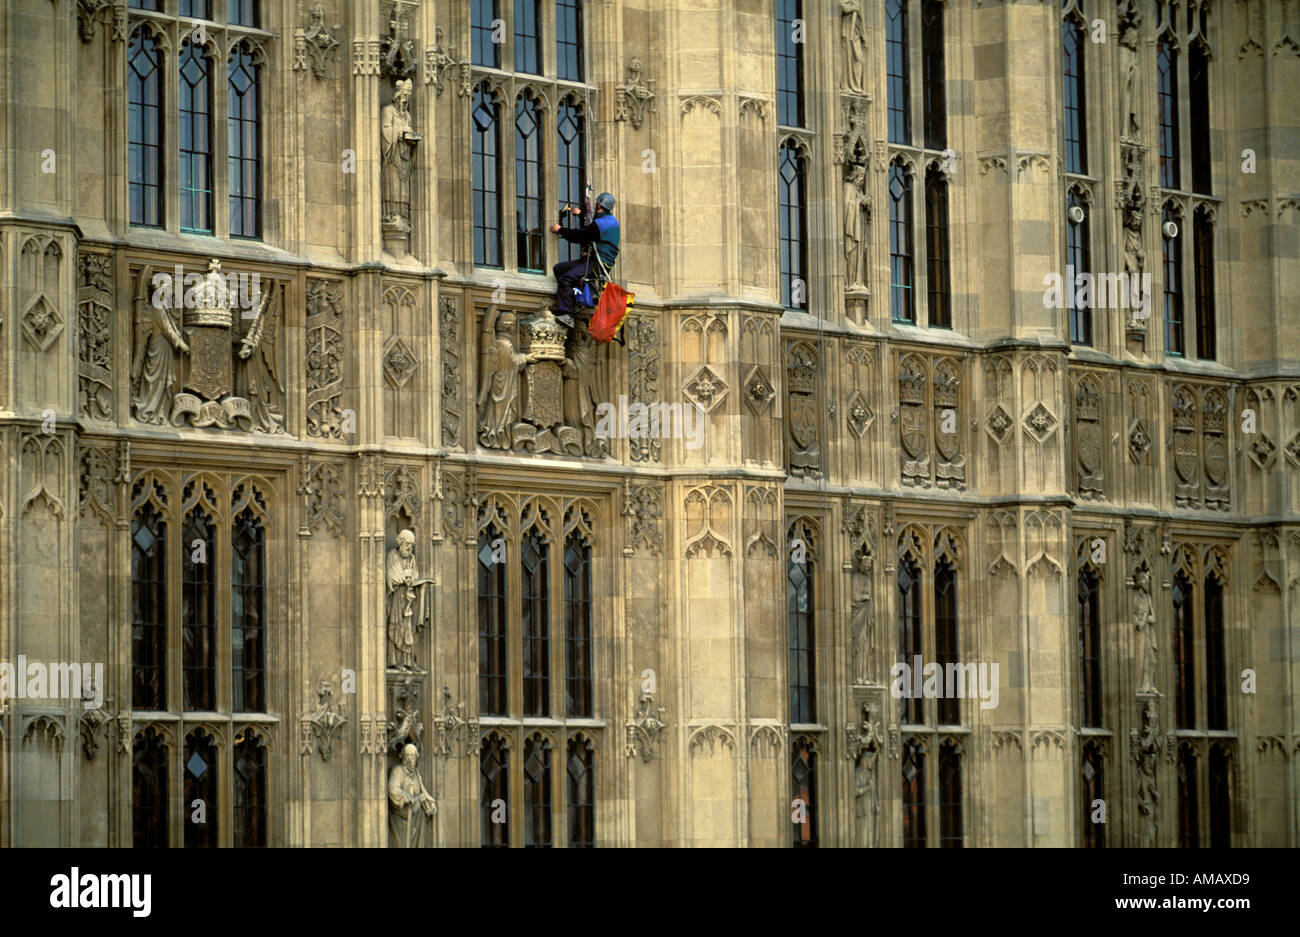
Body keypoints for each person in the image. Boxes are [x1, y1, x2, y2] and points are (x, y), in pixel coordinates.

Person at [549, 191, 620, 328]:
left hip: (598, 264)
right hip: (595, 261)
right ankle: (576, 297)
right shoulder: (609, 221)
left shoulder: (601, 225)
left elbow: (580, 236)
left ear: (599, 205)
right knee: (559, 269)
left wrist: (560, 229)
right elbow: (592, 228)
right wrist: (581, 214)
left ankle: (567, 314)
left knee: (565, 278)